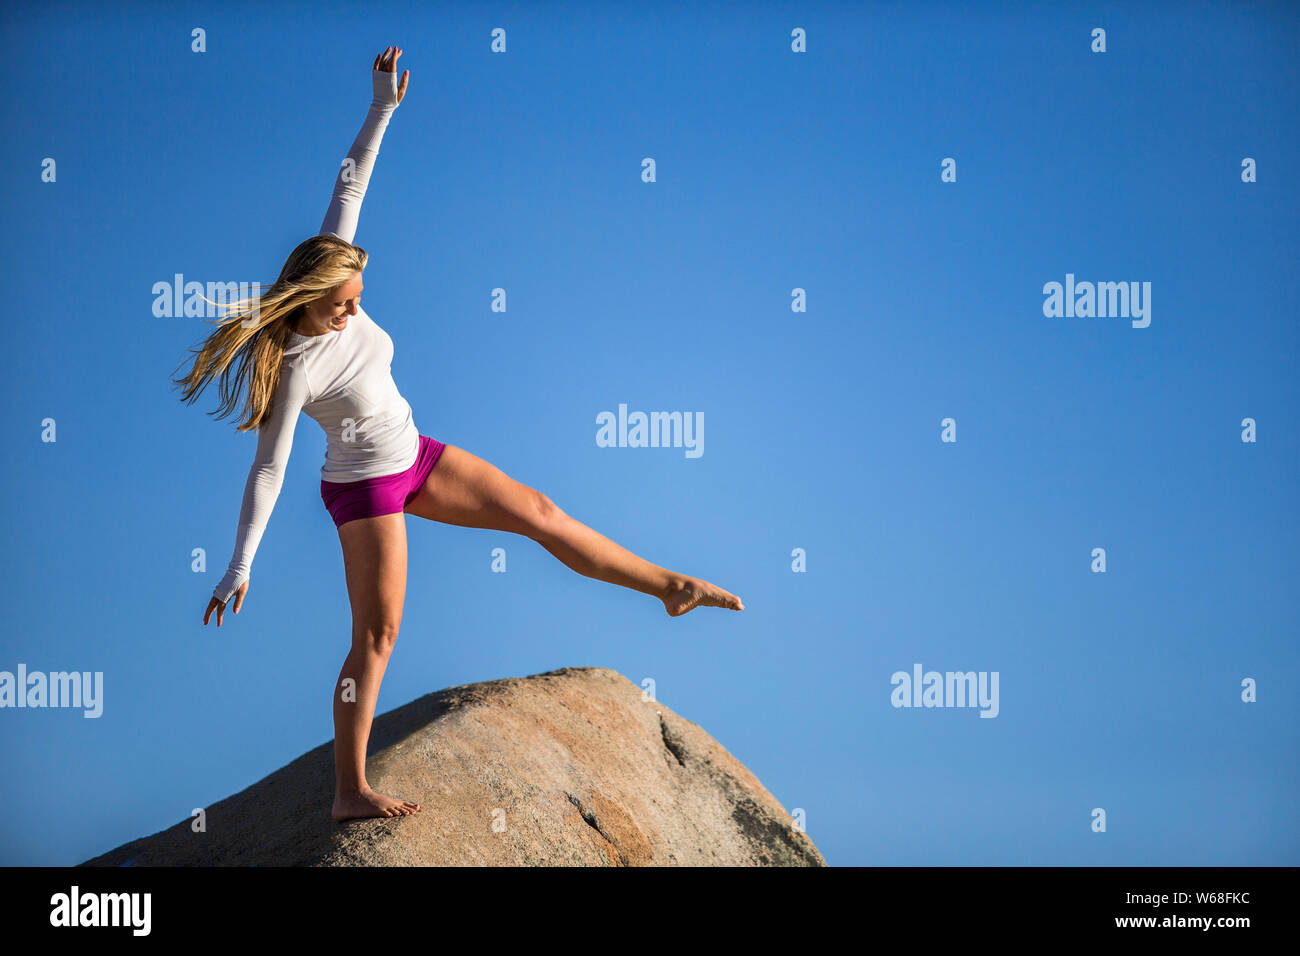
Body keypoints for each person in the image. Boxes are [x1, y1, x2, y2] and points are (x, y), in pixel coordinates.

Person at [172, 47, 743, 822]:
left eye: (359, 298)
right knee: (378, 635)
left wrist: (380, 108)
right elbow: (268, 470)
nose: (354, 310)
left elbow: (351, 182)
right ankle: (349, 792)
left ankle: (668, 588)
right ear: (310, 300)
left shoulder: (335, 262)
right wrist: (239, 565)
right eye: (344, 304)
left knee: (540, 512)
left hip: (417, 454)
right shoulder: (299, 362)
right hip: (366, 487)